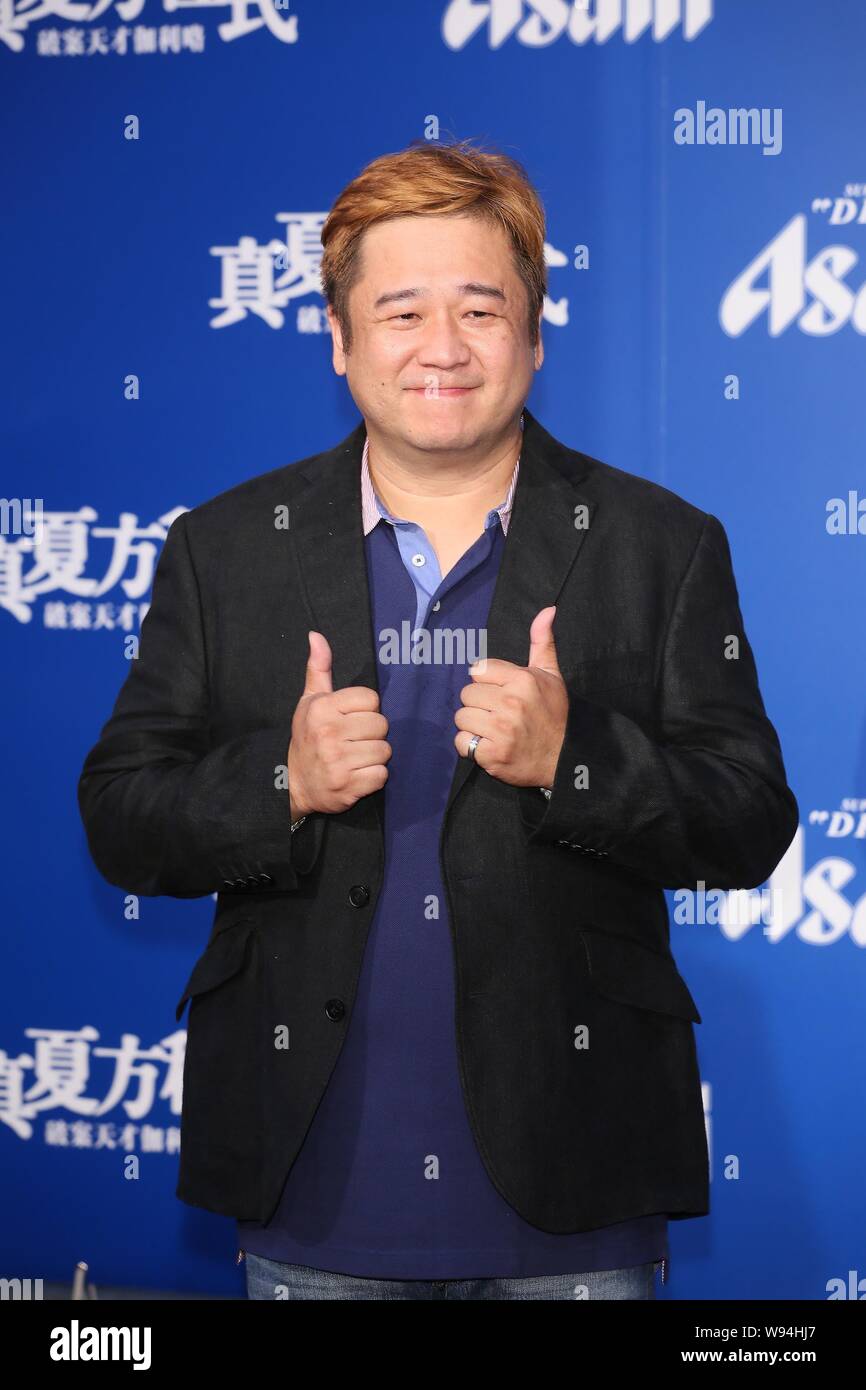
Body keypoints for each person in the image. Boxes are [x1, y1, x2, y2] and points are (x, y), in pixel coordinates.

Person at [78, 139, 799, 1302]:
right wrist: (281, 782)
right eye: (401, 310)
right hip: (313, 1193)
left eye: (481, 308)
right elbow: (119, 814)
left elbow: (749, 817)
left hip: (576, 1195)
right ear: (339, 337)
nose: (443, 348)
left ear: (534, 334)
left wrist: (576, 764)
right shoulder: (222, 548)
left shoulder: (658, 544)